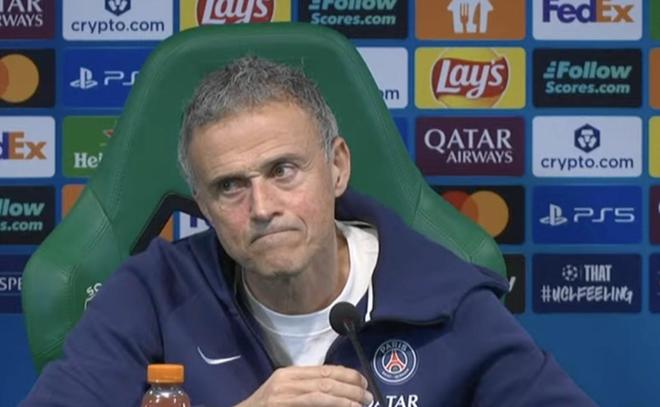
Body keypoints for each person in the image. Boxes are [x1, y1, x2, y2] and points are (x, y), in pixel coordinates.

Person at [22, 56, 596, 406]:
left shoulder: (445, 300)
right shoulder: (151, 294)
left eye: (283, 171)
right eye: (229, 186)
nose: (262, 207)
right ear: (203, 206)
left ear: (337, 167)